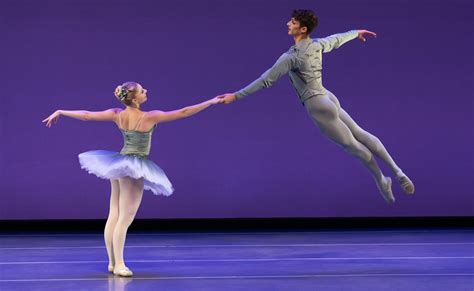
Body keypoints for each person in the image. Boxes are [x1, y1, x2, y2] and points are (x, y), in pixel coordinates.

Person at [217, 9, 414, 203]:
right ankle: (398, 170)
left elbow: (266, 80)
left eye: (292, 22)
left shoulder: (290, 57)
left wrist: (236, 96)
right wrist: (356, 33)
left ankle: (381, 180)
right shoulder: (317, 44)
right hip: (328, 97)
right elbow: (336, 39)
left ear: (302, 29)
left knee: (356, 147)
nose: (288, 24)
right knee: (361, 133)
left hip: (317, 105)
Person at [42, 81, 223, 276]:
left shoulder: (117, 114)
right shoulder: (149, 117)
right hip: (134, 166)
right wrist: (210, 101)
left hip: (118, 163)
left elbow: (87, 115)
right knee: (125, 218)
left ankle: (112, 262)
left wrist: (61, 111)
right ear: (135, 98)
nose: (146, 92)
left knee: (114, 213)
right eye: (143, 91)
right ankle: (119, 264)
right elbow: (184, 112)